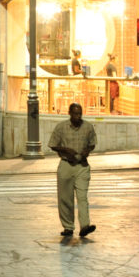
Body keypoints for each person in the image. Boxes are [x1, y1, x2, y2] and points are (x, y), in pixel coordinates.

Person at [48, 102, 98, 238]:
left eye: (80, 113)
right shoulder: (61, 127)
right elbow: (52, 144)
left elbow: (92, 143)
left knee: (82, 197)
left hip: (82, 166)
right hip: (66, 164)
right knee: (65, 198)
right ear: (69, 113)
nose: (78, 116)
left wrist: (87, 151)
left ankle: (85, 226)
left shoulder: (87, 127)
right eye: (75, 113)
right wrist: (65, 150)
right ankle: (68, 227)